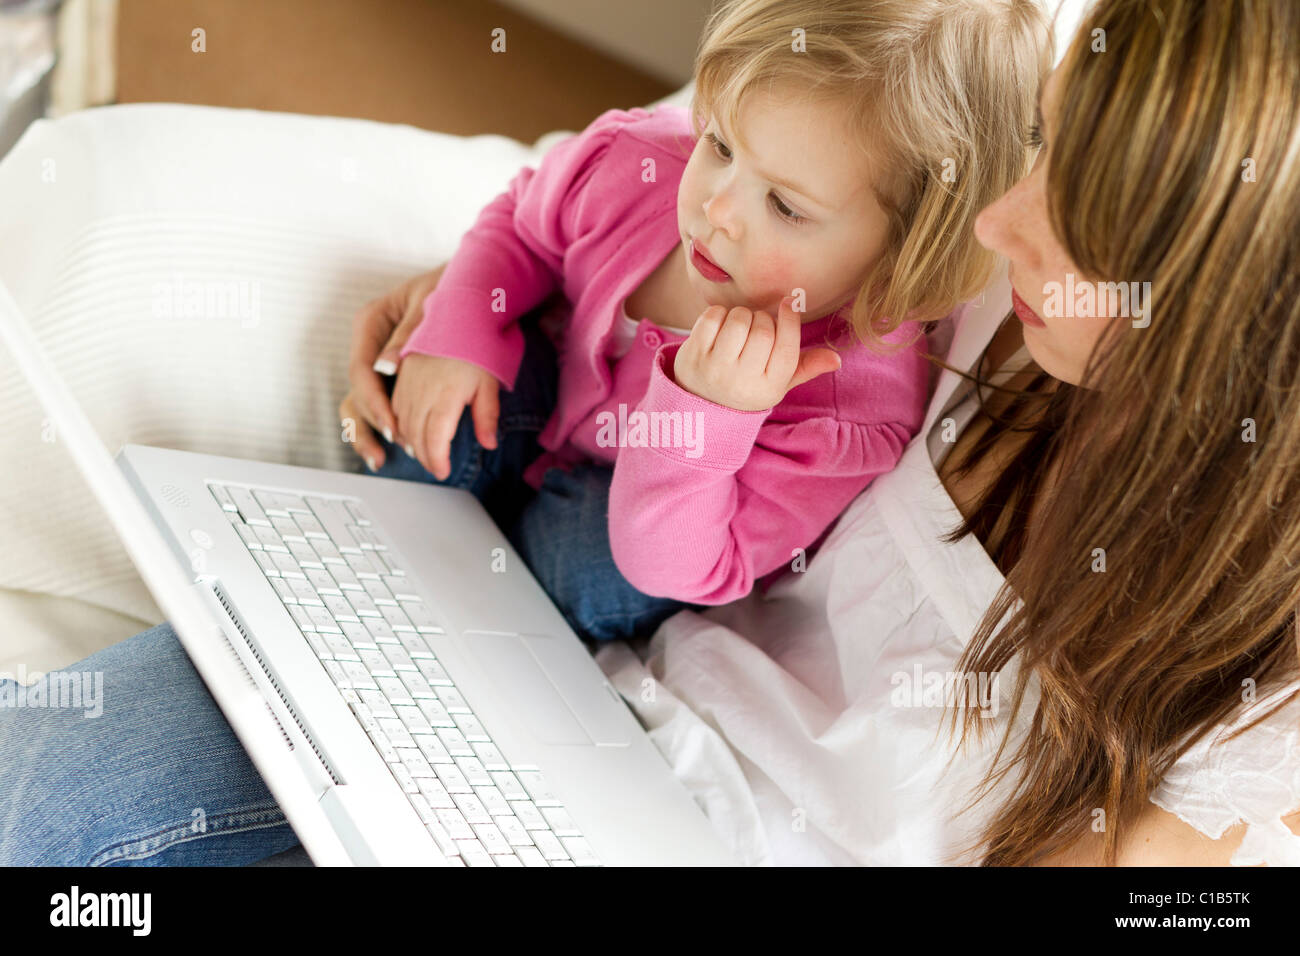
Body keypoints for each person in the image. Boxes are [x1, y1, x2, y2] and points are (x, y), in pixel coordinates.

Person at [7, 0, 1296, 868]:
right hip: (557, 684)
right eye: (1041, 151)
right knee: (40, 791)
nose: (1001, 222)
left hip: (642, 824)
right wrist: (474, 295)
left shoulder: (1256, 673)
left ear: (1212, 315)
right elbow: (682, 190)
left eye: (1071, 212)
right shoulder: (965, 283)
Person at [350, 0, 1049, 644]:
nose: (717, 208)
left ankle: (471, 630)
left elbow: (688, 568)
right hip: (544, 410)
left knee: (587, 569)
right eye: (719, 144)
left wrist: (707, 413)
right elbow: (524, 225)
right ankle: (358, 572)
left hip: (640, 529)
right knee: (438, 411)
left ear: (901, 262)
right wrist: (459, 336)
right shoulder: (640, 163)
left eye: (786, 206)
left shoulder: (846, 405)